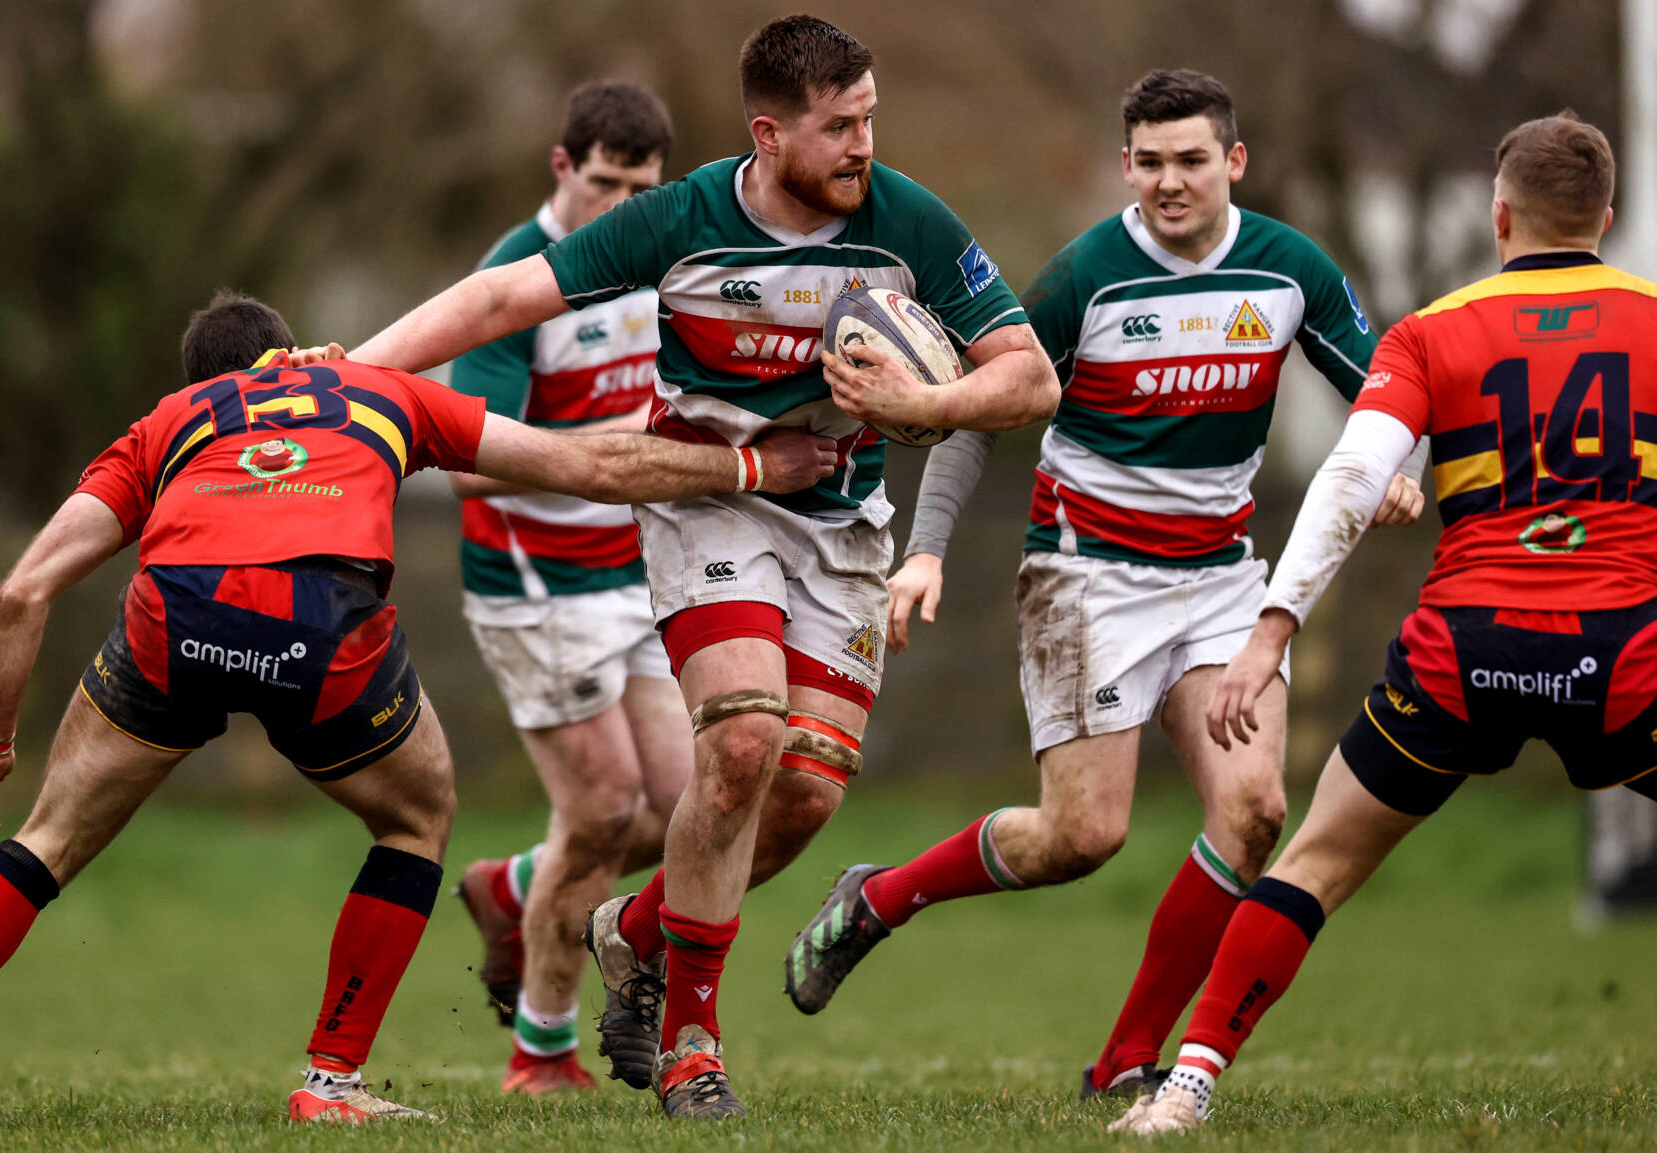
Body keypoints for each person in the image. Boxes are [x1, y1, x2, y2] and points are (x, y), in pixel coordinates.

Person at [347, 14, 1059, 1120]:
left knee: (803, 795)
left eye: (869, 118)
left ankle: (628, 932)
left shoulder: (905, 217)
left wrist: (928, 403)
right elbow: (497, 300)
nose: (863, 146)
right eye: (838, 127)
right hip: (709, 501)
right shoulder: (674, 222)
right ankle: (692, 1044)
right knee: (737, 747)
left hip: (842, 524)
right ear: (767, 136)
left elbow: (1028, 380)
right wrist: (346, 373)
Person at [0, 292, 832, 1124]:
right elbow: (582, 462)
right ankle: (332, 1080)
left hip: (176, 618)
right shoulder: (373, 392)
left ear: (206, 384)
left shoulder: (171, 422)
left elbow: (20, 595)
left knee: (46, 839)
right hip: (318, 630)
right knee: (416, 816)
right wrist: (751, 462)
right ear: (290, 356)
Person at [782, 70, 1427, 1100]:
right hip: (1086, 577)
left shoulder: (1287, 268)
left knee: (1253, 813)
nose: (1171, 183)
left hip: (1219, 578)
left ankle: (1125, 1059)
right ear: (1125, 166)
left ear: (1233, 162)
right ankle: (881, 899)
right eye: (1151, 163)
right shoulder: (1085, 276)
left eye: (1192, 161)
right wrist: (928, 547)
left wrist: (1398, 475)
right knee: (1079, 837)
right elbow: (980, 410)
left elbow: (1390, 396)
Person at [1112, 110, 1656, 1134]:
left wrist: (1271, 628)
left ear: (1498, 217)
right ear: (1606, 218)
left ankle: (1183, 1088)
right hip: (1625, 650)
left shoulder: (1431, 331)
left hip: (1463, 652)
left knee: (1312, 863)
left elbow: (1352, 479)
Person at [445, 79, 687, 1097]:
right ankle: (538, 1057)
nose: (621, 208)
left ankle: (513, 887)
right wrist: (615, 451)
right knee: (598, 811)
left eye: (641, 189)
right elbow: (462, 460)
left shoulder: (668, 260)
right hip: (536, 583)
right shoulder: (515, 278)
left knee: (684, 812)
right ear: (561, 168)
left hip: (640, 568)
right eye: (603, 184)